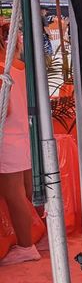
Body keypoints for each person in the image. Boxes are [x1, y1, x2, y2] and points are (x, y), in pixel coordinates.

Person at [0, 19, 41, 267]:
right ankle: (40, 236)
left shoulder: (3, 69)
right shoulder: (18, 65)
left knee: (14, 195)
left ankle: (27, 246)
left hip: (8, 139)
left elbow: (6, 109)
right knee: (28, 191)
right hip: (23, 136)